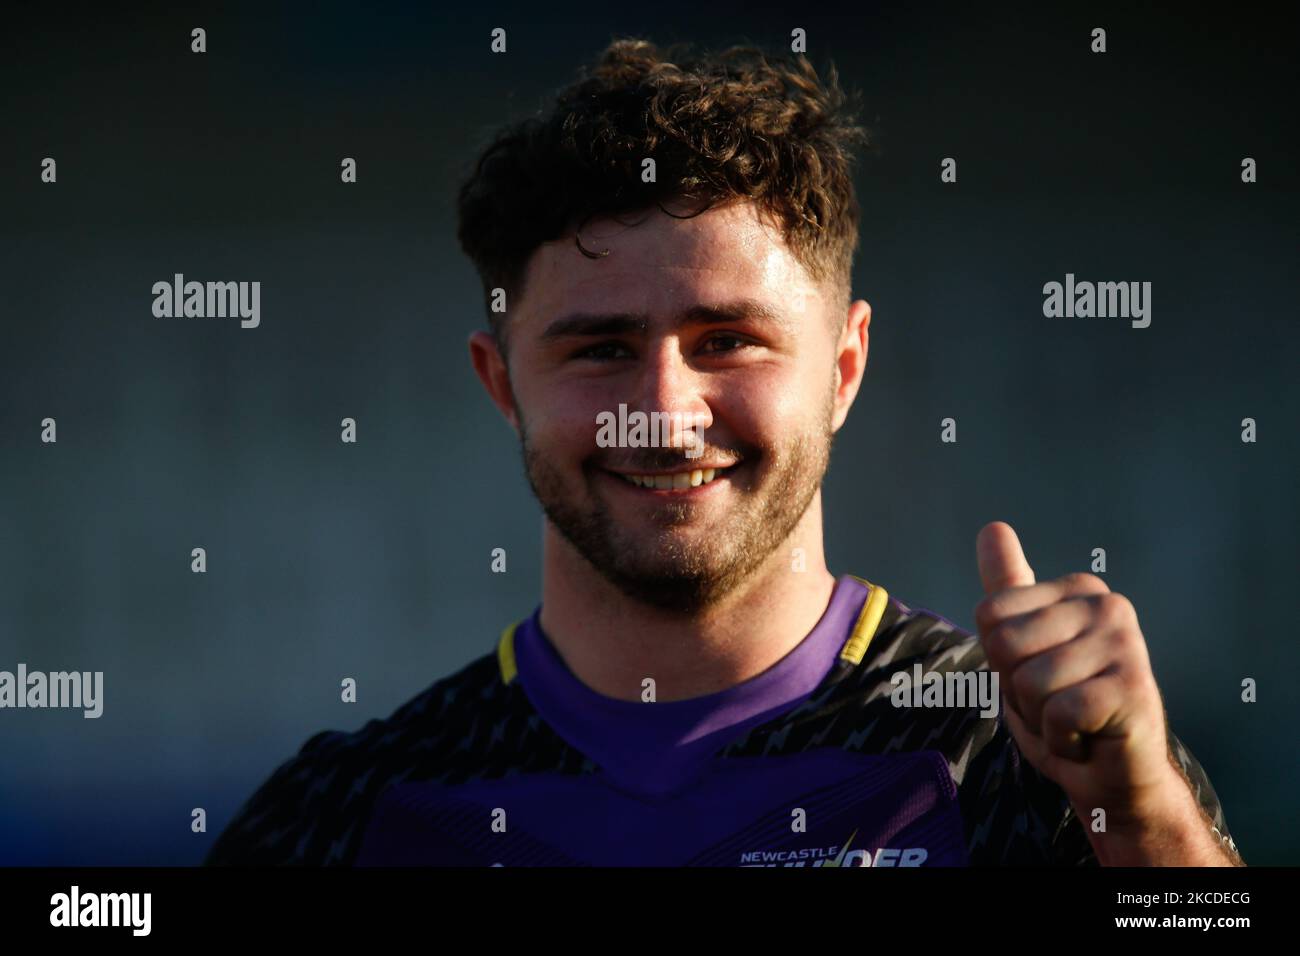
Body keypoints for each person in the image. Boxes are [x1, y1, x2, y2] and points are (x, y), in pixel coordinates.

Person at [206, 38, 1242, 867]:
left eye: (727, 340)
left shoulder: (1014, 755)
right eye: (600, 347)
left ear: (842, 368)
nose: (661, 407)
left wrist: (1138, 815)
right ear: (500, 381)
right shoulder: (351, 810)